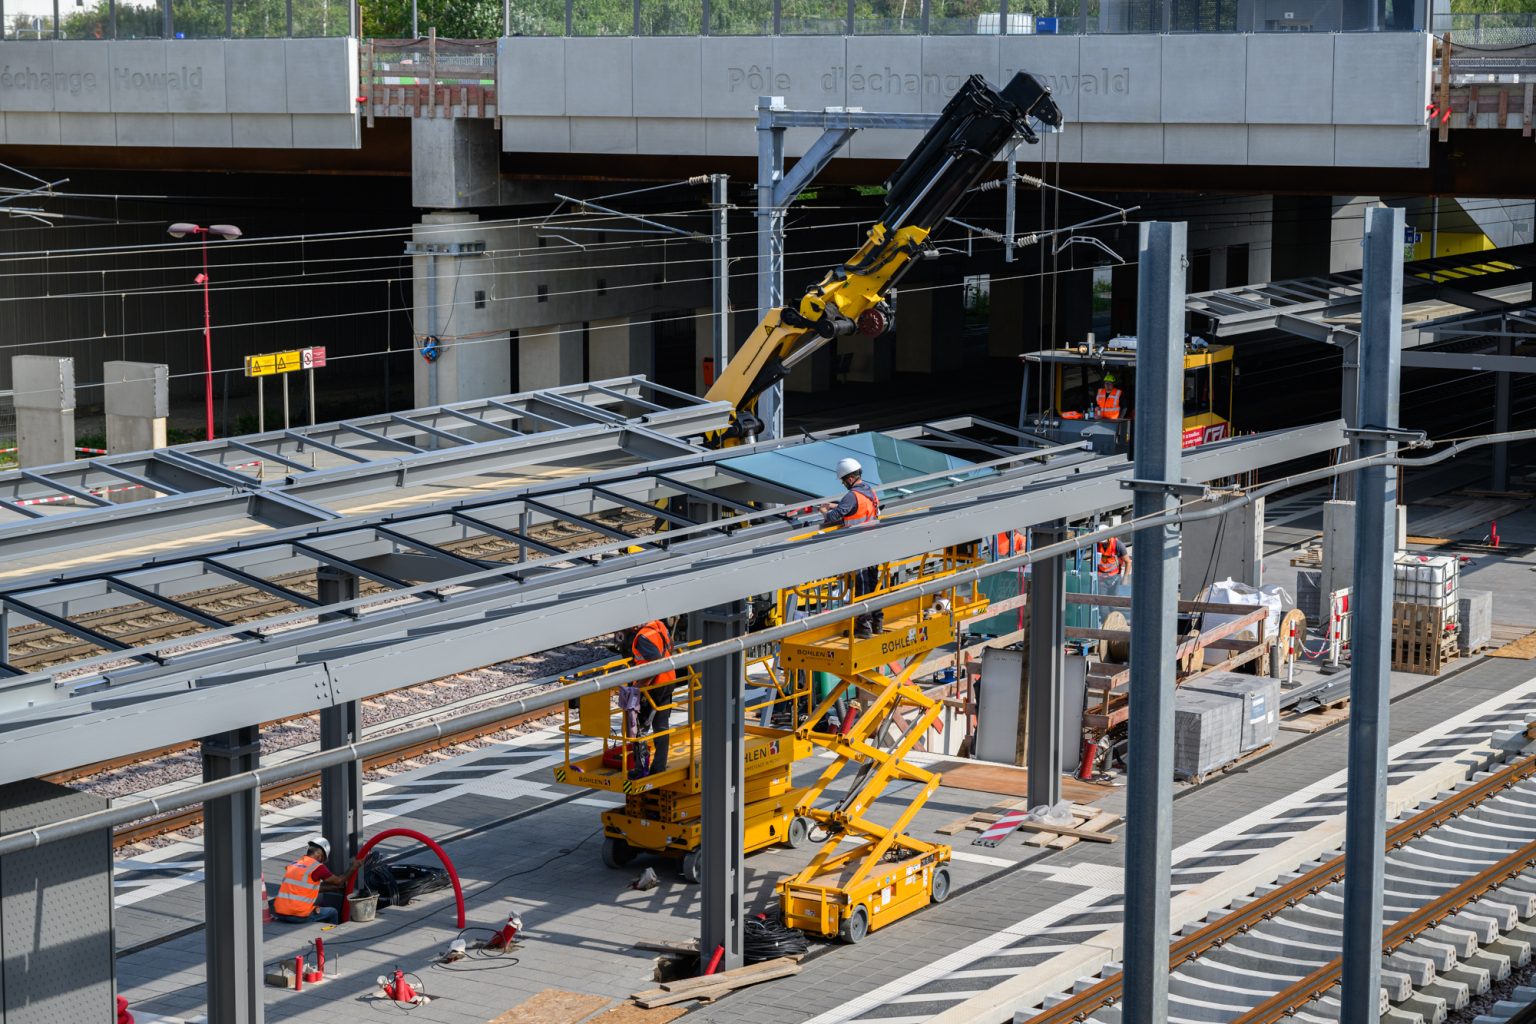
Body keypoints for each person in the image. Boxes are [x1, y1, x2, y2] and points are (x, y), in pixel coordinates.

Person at [821, 457, 883, 639]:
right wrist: (837, 505)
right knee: (874, 585)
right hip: (872, 544)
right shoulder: (869, 491)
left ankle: (863, 627)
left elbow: (834, 517)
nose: (843, 484)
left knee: (862, 587)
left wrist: (825, 511)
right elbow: (857, 508)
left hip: (858, 547)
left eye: (843, 481)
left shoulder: (851, 496)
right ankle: (877, 622)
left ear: (849, 479)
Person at [622, 619, 677, 780]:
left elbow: (656, 664)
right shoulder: (658, 626)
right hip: (669, 680)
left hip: (654, 686)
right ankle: (659, 767)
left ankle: (640, 770)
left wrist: (638, 687)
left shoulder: (642, 637)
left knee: (639, 728)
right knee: (662, 726)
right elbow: (671, 645)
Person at [270, 836, 362, 925]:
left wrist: (333, 888)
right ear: (320, 856)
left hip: (280, 913)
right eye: (323, 859)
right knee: (332, 912)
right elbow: (338, 881)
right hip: (297, 916)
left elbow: (306, 887)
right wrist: (353, 867)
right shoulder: (317, 867)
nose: (321, 862)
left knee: (317, 908)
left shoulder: (294, 864)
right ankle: (330, 933)